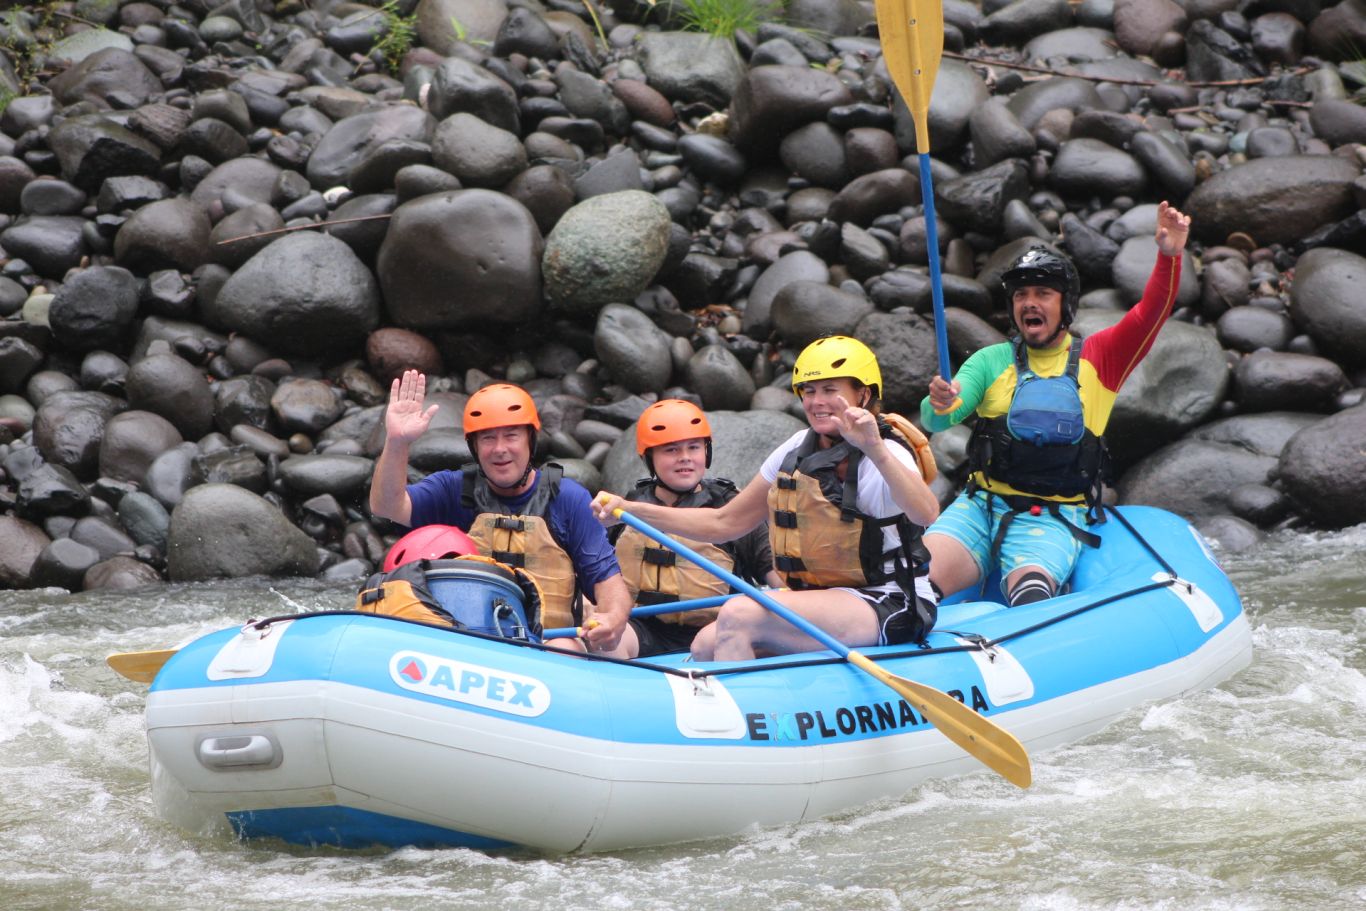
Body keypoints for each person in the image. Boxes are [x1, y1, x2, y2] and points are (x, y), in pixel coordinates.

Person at [593, 336, 940, 662]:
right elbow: (724, 523)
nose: (817, 402)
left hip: (890, 600)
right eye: (809, 390)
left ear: (863, 395)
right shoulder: (795, 448)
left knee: (737, 614)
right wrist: (629, 510)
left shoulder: (887, 452)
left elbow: (925, 513)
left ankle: (741, 719)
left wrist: (874, 448)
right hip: (820, 599)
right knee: (704, 644)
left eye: (830, 390)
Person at [920, 200, 1192, 606]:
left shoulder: (1101, 358)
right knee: (914, 581)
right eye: (1022, 295)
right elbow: (938, 420)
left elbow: (1150, 314)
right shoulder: (990, 361)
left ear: (1064, 305)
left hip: (1053, 517)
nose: (1030, 302)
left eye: (1043, 293)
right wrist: (939, 401)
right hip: (978, 507)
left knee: (1030, 594)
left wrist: (1169, 256)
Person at [369, 371, 632, 653]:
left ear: (530, 440)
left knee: (564, 646)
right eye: (488, 439)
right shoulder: (454, 489)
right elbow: (387, 506)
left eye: (511, 436)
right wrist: (397, 442)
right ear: (474, 446)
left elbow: (608, 583)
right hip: (471, 644)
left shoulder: (567, 499)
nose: (500, 449)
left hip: (550, 644)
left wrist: (613, 618)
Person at [611, 399, 784, 658]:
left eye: (694, 447)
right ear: (649, 457)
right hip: (644, 631)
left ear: (707, 452)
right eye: (670, 450)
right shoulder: (629, 507)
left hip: (720, 630)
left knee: (711, 641)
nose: (685, 458)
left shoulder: (731, 509)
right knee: (610, 641)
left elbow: (778, 582)